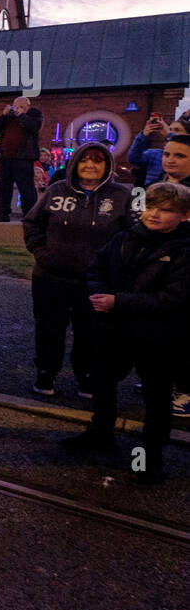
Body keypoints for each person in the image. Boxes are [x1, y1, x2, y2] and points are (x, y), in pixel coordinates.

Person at [61, 182, 190, 484]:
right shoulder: (126, 237)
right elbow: (96, 268)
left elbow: (174, 299)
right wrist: (98, 295)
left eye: (165, 210)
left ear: (184, 216)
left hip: (158, 337)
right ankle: (100, 434)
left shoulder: (184, 251)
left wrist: (117, 301)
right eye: (150, 206)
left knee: (157, 397)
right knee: (103, 383)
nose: (154, 214)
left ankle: (151, 458)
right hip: (116, 330)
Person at [22, 142, 133, 399]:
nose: (90, 165)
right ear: (75, 164)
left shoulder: (121, 196)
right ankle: (46, 375)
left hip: (95, 282)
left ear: (107, 166)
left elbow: (131, 235)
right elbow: (32, 223)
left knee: (90, 332)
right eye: (85, 160)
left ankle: (86, 377)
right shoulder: (56, 190)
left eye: (97, 160)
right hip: (50, 277)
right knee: (49, 328)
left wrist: (115, 266)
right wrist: (42, 253)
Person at [0, 96, 43, 220]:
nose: (18, 109)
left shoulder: (34, 114)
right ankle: (3, 213)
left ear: (28, 107)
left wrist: (22, 115)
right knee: (4, 187)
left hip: (24, 158)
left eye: (22, 107)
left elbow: (34, 127)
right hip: (5, 157)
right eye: (16, 106)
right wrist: (3, 115)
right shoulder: (8, 117)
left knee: (26, 188)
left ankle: (29, 215)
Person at [126, 114, 188, 187]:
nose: (170, 160)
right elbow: (133, 158)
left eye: (177, 130)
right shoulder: (155, 154)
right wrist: (143, 134)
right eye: (170, 129)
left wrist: (169, 134)